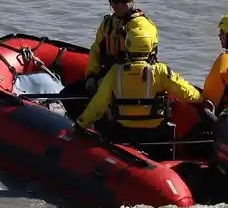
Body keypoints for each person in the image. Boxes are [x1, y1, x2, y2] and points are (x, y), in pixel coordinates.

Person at [76, 16, 204, 145]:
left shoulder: (115, 72)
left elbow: (99, 103)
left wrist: (81, 124)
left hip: (125, 132)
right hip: (155, 133)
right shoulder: (161, 71)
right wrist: (201, 97)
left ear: (128, 44)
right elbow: (185, 91)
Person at [85, 0, 145, 88]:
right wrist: (91, 75)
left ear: (132, 1)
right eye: (115, 1)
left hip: (130, 77)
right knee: (71, 91)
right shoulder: (107, 24)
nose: (119, 6)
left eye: (124, 2)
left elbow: (140, 59)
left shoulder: (140, 25)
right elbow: (95, 50)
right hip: (109, 74)